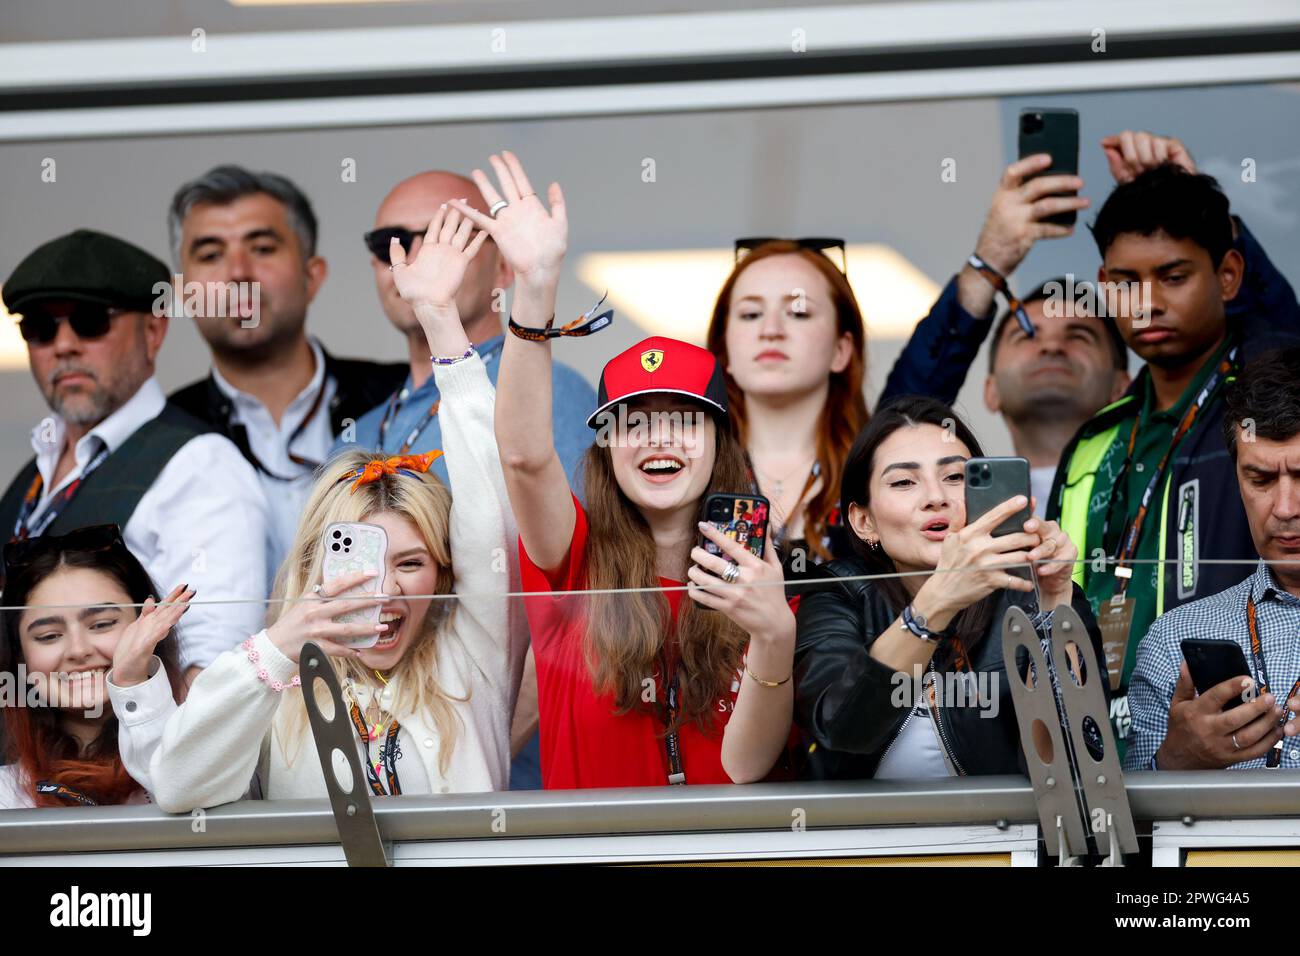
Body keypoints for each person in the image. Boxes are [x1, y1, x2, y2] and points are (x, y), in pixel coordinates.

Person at [118, 205, 527, 809]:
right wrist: (279, 646)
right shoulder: (274, 678)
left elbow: (491, 508)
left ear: (446, 572)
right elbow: (178, 786)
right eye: (360, 556)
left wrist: (441, 322)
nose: (383, 588)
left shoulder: (471, 656)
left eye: (412, 563)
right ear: (313, 566)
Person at [448, 151, 796, 788]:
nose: (659, 438)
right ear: (608, 446)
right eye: (633, 421)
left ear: (722, 445)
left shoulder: (768, 583)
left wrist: (774, 632)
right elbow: (524, 456)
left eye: (685, 421)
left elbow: (746, 770)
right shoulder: (573, 560)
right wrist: (535, 288)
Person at [341, 170, 600, 790]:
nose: (416, 255)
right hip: (375, 787)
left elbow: (564, 605)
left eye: (446, 234)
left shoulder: (555, 398)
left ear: (504, 270)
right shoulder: (366, 424)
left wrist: (471, 767)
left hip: (495, 790)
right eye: (389, 242)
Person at [1047, 136, 1300, 758]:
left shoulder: (1259, 411)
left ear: (1229, 275)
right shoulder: (1095, 438)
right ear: (1104, 286)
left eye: (1174, 276)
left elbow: (1287, 337)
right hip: (1101, 749)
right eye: (1127, 281)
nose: (1149, 300)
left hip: (1239, 743)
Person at [0, 230, 271, 680]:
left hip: (121, 750)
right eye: (40, 328)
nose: (64, 345)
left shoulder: (200, 464)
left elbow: (213, 670)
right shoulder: (36, 469)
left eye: (90, 321)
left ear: (153, 329)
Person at [792, 396, 1104, 778]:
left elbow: (1073, 761)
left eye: (955, 477)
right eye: (904, 482)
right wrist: (937, 602)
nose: (936, 498)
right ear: (863, 521)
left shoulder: (1027, 594)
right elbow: (845, 729)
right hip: (864, 836)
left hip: (1005, 836)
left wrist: (1054, 603)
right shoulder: (837, 592)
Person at [166, 166, 407, 573]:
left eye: (261, 248)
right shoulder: (163, 436)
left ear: (312, 276)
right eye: (211, 255)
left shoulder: (400, 397)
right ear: (183, 292)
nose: (238, 272)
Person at [1126, 347, 1300, 771]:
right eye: (1259, 479)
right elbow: (1127, 831)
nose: (1284, 508)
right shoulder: (1175, 640)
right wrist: (1175, 760)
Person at [0, 525, 191, 809]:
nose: (79, 650)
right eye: (49, 636)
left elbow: (190, 796)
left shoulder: (213, 755)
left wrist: (134, 683)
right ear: (20, 657)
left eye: (101, 624)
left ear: (150, 624)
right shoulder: (6, 796)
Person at [705, 240, 867, 566]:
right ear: (725, 352)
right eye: (751, 314)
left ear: (841, 349)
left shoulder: (878, 471)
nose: (771, 330)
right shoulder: (688, 466)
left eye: (798, 312)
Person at [983, 279, 1130, 512]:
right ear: (991, 391)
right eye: (1027, 336)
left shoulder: (1165, 486)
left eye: (1079, 336)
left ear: (1121, 387)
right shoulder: (954, 511)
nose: (1052, 346)